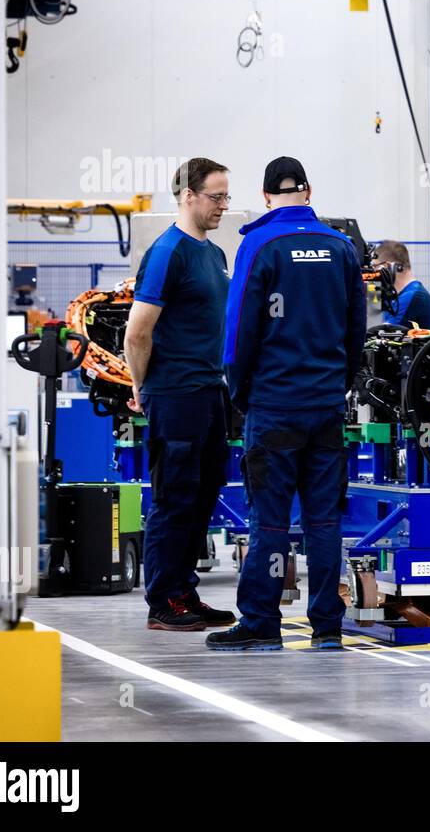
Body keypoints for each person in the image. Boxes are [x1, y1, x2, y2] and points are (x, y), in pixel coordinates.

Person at [207, 156, 367, 651]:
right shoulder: (342, 248)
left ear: (265, 195)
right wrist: (335, 384)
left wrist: (241, 393)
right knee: (324, 520)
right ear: (309, 191)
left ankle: (261, 623)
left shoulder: (258, 244)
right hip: (324, 407)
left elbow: (237, 334)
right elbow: (356, 329)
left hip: (273, 406)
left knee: (269, 520)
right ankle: (326, 628)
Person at [123, 157, 237, 632]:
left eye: (227, 197)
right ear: (188, 196)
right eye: (216, 197)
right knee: (175, 496)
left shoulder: (212, 253)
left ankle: (184, 590)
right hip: (175, 393)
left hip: (210, 391)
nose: (223, 206)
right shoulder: (168, 252)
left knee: (204, 491)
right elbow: (137, 332)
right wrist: (141, 386)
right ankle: (163, 601)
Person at [375, 240, 430, 330]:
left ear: (388, 266)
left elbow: (379, 331)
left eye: (375, 268)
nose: (373, 274)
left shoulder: (413, 296)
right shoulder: (400, 295)